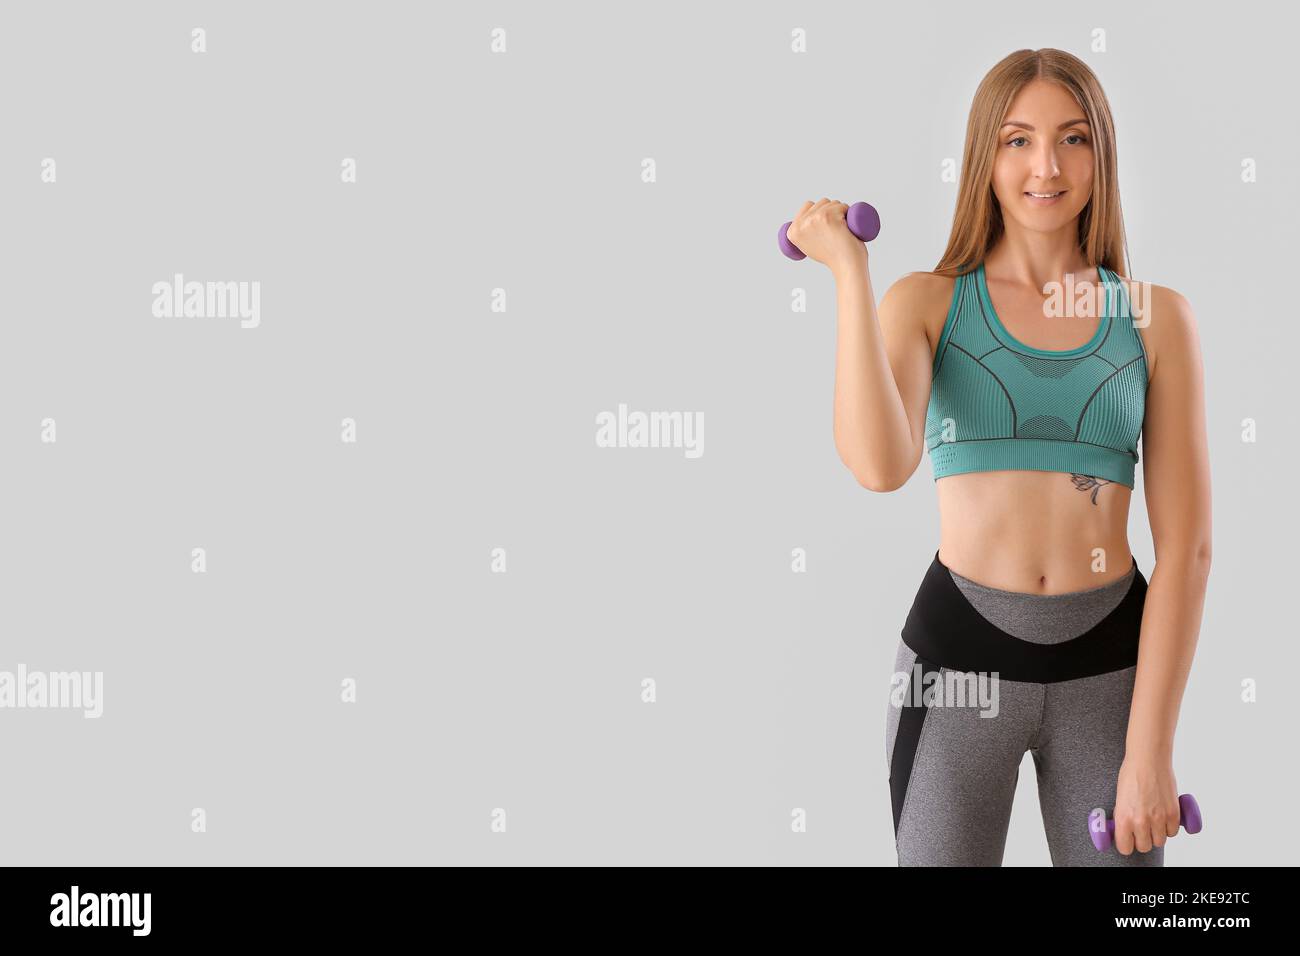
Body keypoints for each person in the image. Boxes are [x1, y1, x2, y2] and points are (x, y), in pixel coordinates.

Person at [784, 48, 1211, 866]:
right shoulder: (928, 303)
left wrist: (1150, 750)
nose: (1045, 166)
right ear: (985, 156)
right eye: (1018, 140)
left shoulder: (1158, 322)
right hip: (956, 670)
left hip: (1110, 673)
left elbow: (1188, 551)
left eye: (1073, 138)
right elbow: (879, 465)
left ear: (1102, 154)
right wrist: (848, 273)